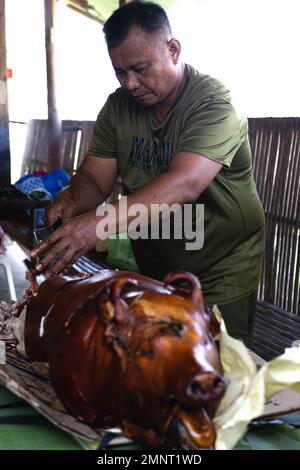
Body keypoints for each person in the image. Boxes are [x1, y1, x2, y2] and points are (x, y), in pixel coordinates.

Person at [31, 1, 265, 347]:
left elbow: (185, 183)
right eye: (120, 72)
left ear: (172, 50)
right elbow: (95, 178)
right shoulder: (118, 107)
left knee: (214, 371)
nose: (130, 83)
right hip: (157, 267)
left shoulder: (213, 106)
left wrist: (95, 224)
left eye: (140, 68)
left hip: (219, 270)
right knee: (156, 366)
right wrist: (71, 199)